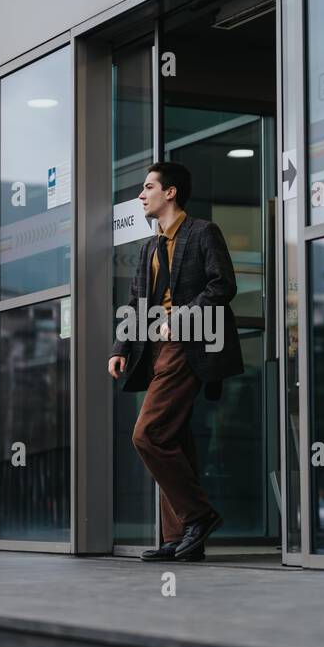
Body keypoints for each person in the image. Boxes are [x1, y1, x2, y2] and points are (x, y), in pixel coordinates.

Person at [107, 162, 244, 561]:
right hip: (155, 350)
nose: (141, 194)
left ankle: (199, 516)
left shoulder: (202, 232)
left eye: (148, 187)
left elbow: (223, 285)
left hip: (192, 344)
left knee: (147, 434)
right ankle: (181, 537)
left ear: (170, 193)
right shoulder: (149, 247)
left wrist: (180, 318)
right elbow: (136, 301)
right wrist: (120, 347)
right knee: (173, 439)